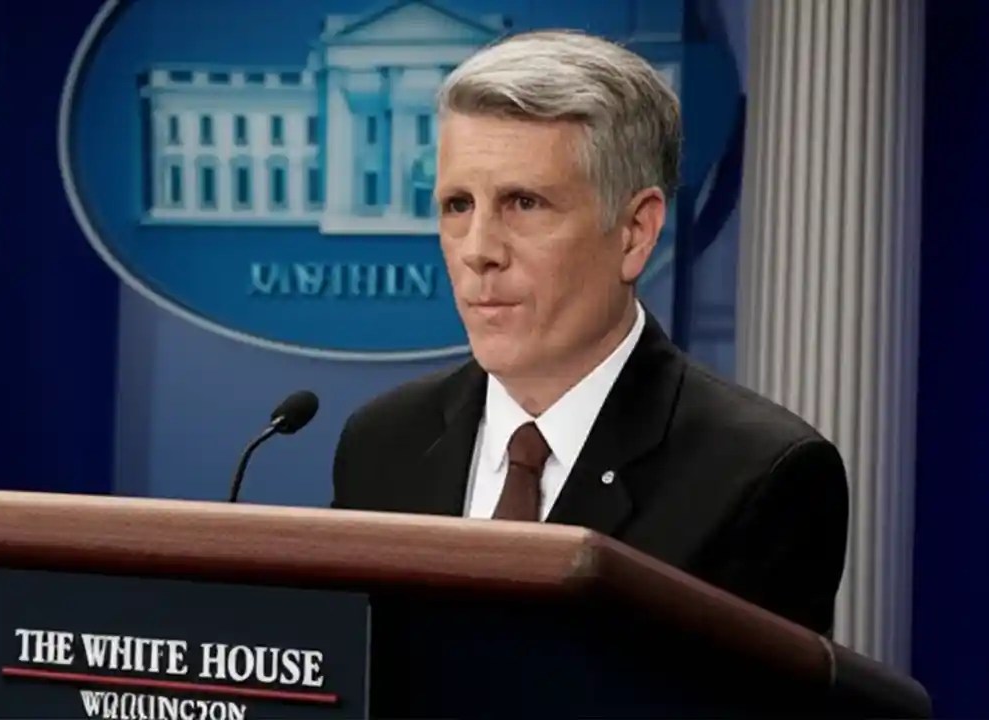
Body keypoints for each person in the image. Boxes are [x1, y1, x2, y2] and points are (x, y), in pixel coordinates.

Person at [330, 29, 848, 636]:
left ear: (635, 232)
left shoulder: (759, 476)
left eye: (524, 203)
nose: (478, 250)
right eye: (458, 205)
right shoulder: (382, 444)